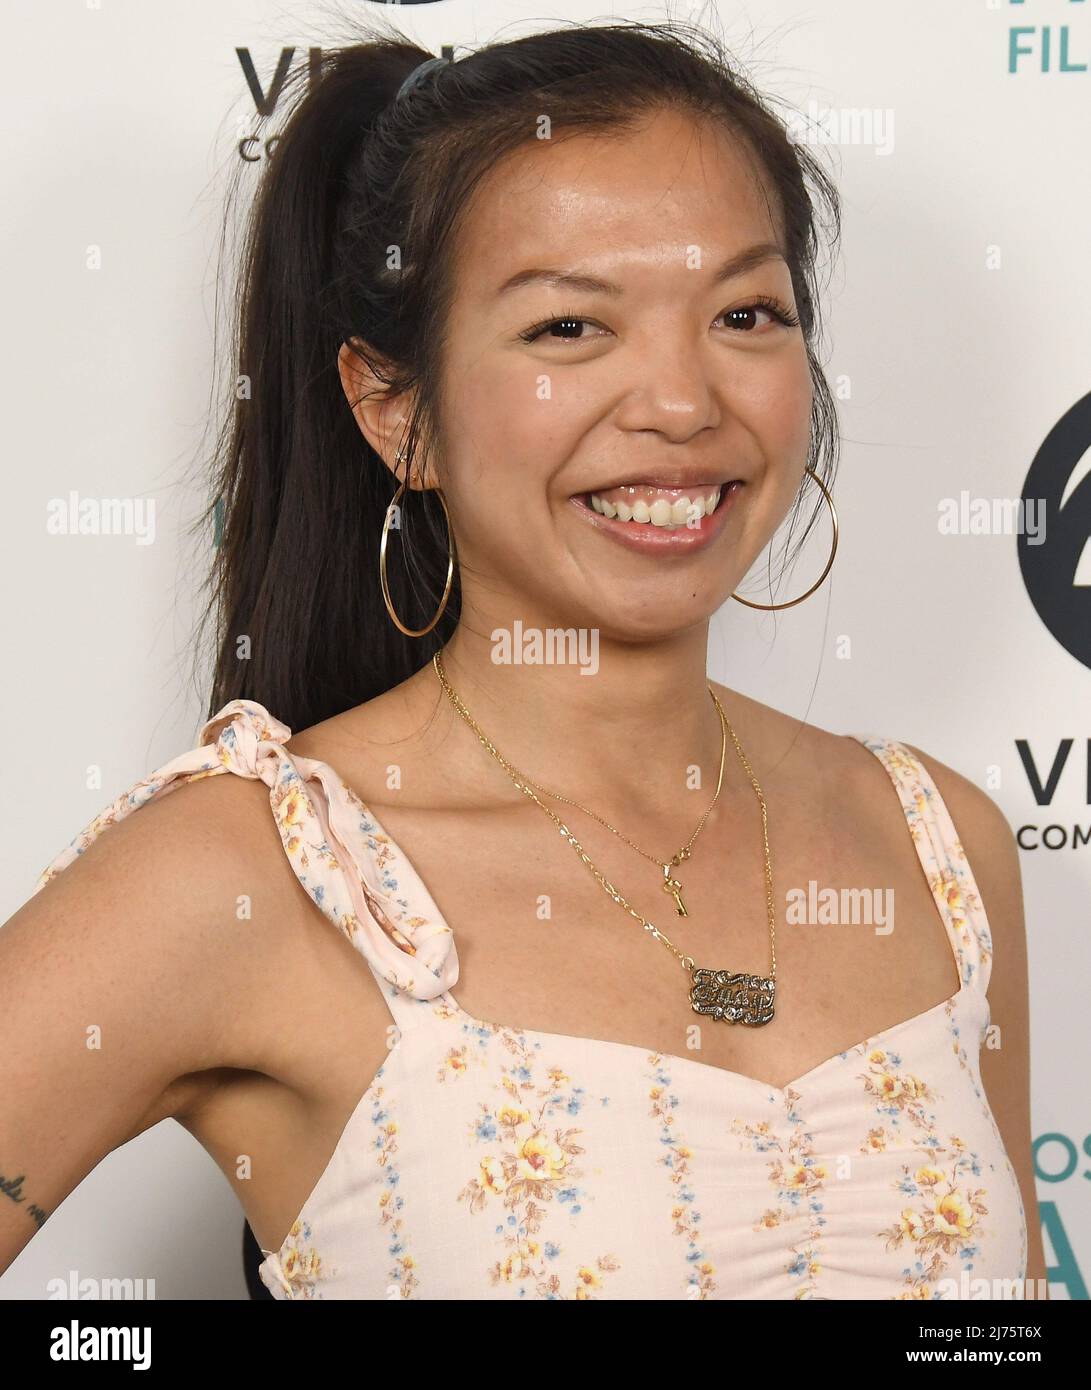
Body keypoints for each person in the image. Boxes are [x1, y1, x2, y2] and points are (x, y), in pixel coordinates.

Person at [0, 18, 1045, 1300]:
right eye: (568, 328)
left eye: (745, 311)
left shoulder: (938, 842)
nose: (678, 401)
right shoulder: (259, 871)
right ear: (398, 413)